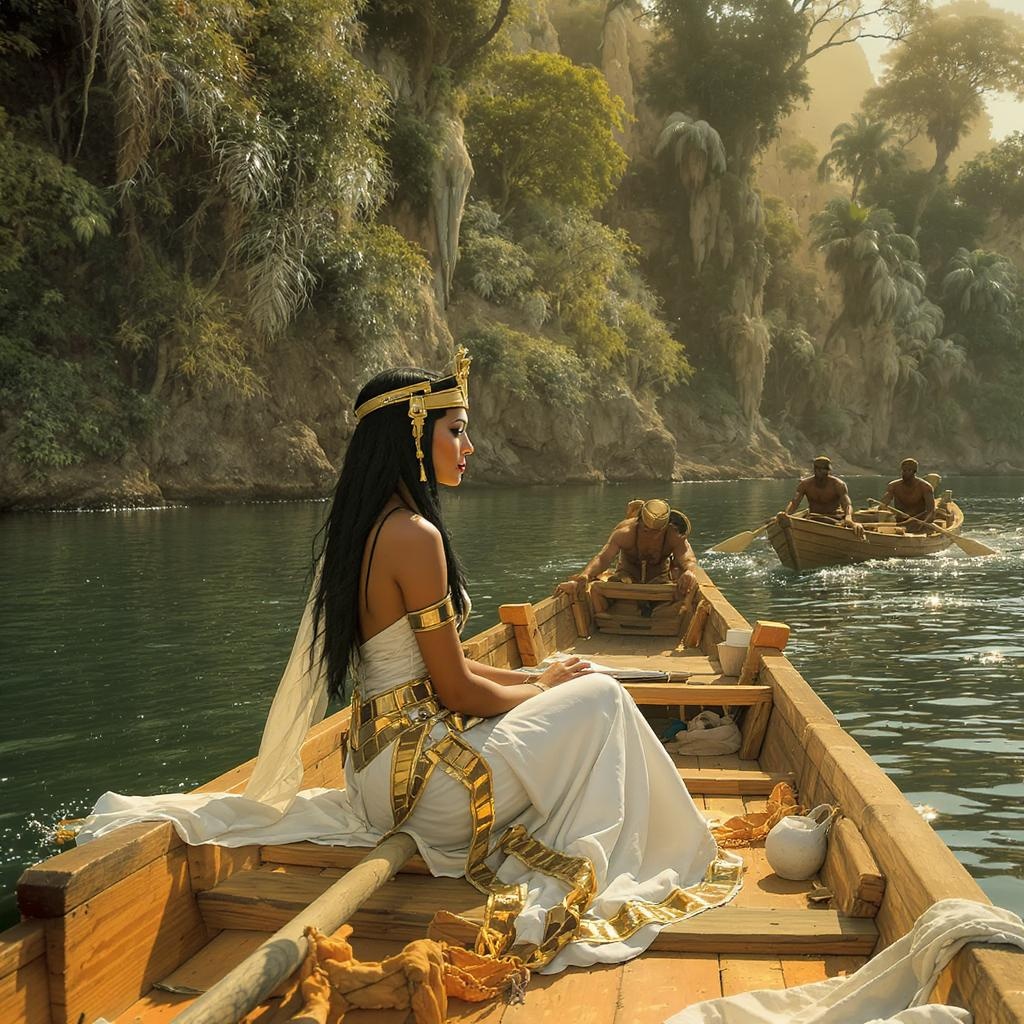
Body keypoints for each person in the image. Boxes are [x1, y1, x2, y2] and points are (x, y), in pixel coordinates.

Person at [74, 348, 740, 976]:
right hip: (425, 783)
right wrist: (542, 687)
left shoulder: (364, 529)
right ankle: (658, 847)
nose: (469, 447)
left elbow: (443, 679)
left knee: (582, 685)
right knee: (604, 698)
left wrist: (539, 681)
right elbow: (455, 686)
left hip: (377, 769)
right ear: (413, 436)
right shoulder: (414, 537)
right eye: (456, 431)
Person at [556, 498, 698, 616]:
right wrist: (585, 575)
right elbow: (603, 558)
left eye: (657, 532)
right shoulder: (624, 533)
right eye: (646, 530)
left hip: (660, 583)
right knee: (597, 595)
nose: (652, 535)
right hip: (626, 579)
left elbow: (687, 557)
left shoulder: (673, 535)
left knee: (683, 596)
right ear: (639, 522)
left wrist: (689, 571)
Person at [781, 455, 865, 539]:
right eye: (822, 470)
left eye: (826, 470)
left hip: (835, 519)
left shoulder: (838, 485)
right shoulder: (805, 484)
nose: (825, 472)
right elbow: (794, 502)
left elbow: (847, 505)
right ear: (815, 470)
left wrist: (849, 519)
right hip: (814, 518)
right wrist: (786, 514)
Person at [879, 458, 935, 533]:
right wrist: (881, 511)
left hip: (918, 522)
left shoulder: (925, 487)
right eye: (903, 470)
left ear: (914, 472)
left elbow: (931, 512)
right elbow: (883, 504)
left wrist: (922, 523)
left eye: (909, 470)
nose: (905, 473)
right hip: (899, 521)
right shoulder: (893, 486)